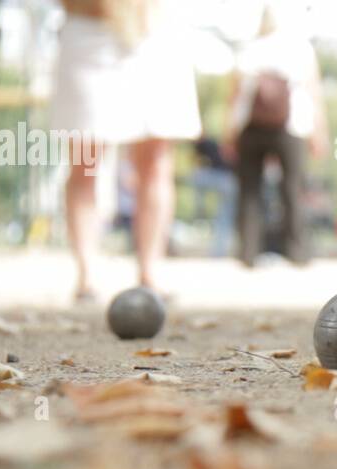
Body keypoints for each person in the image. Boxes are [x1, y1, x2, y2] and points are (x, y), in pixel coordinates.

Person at [51, 0, 201, 301]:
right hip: (88, 27)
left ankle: (150, 273)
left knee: (156, 161)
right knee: (85, 161)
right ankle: (87, 275)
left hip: (154, 28)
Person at [223, 4, 326, 267]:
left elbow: (234, 97)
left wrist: (228, 133)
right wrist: (319, 133)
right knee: (293, 189)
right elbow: (314, 95)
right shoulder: (301, 49)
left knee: (249, 192)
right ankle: (298, 252)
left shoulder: (248, 50)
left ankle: (248, 253)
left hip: (251, 128)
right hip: (291, 127)